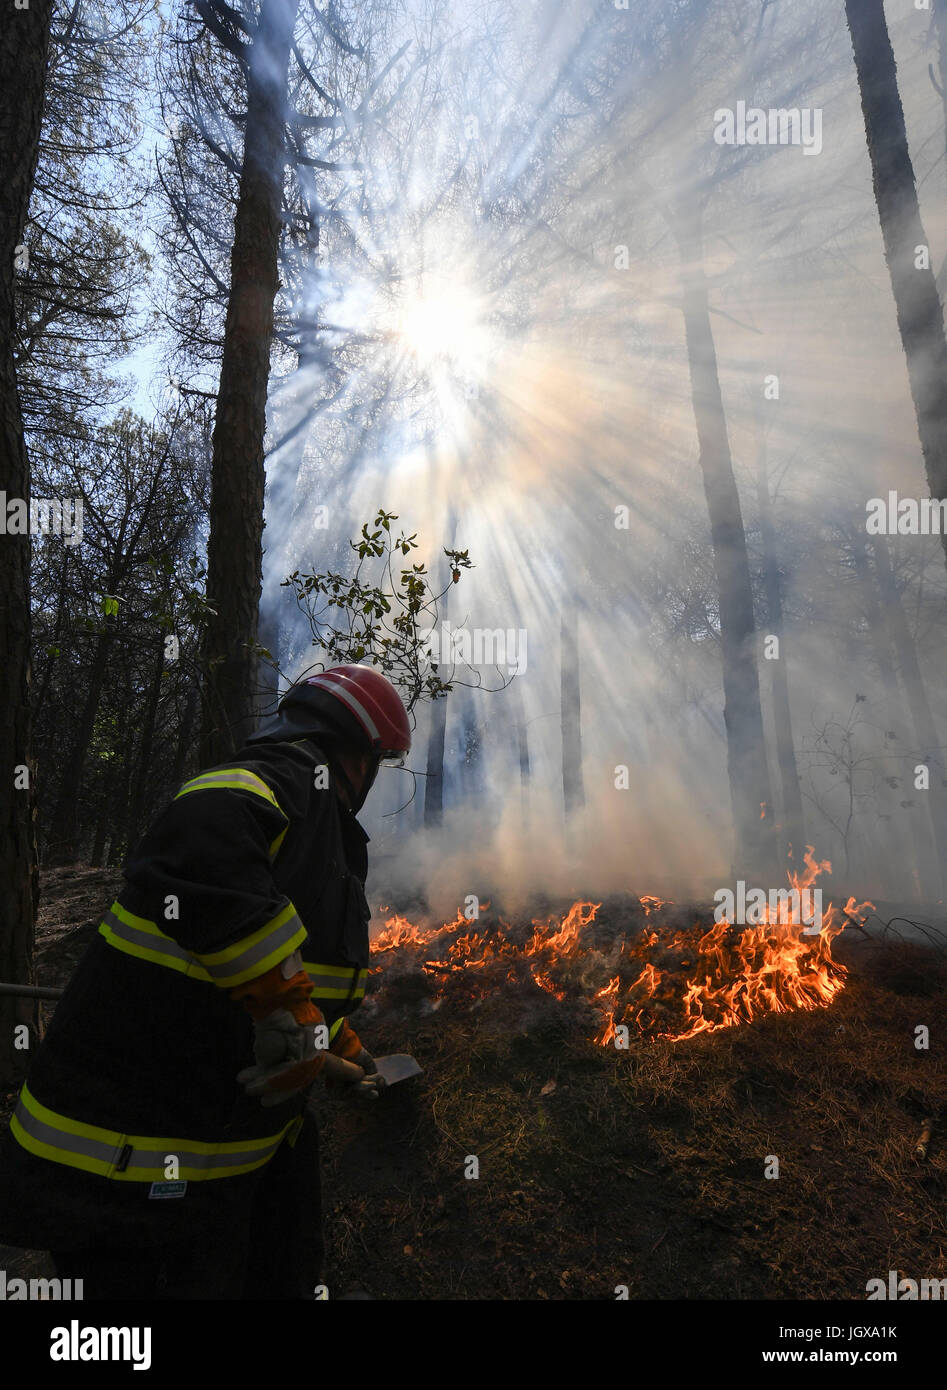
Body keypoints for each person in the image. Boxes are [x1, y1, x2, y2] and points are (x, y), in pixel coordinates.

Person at [0, 664, 411, 1299]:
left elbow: (289, 973)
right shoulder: (279, 777)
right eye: (377, 760)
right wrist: (284, 1003)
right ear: (357, 753)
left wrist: (338, 1045)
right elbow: (204, 839)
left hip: (213, 1153)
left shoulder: (315, 821)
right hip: (124, 1166)